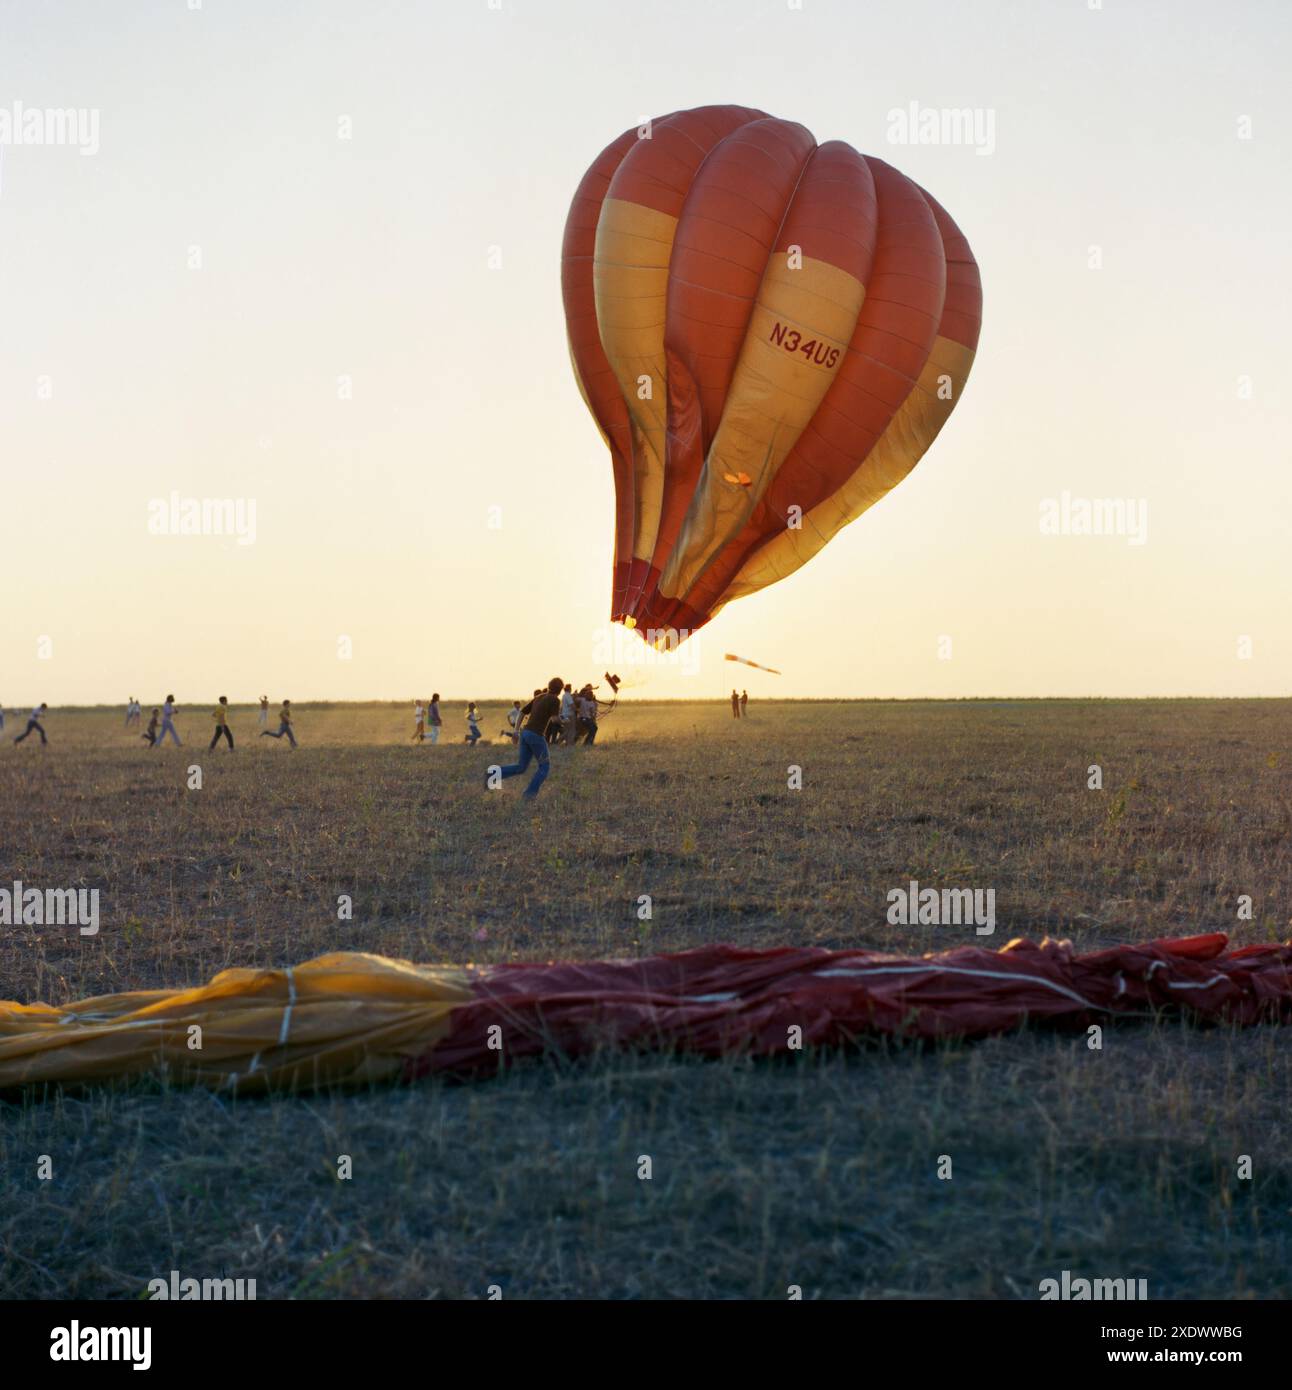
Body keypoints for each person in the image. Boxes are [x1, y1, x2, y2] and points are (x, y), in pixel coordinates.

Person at [492, 677, 562, 800]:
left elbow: (522, 712)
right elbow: (555, 719)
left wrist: (516, 731)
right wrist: (566, 721)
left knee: (521, 767)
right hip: (536, 736)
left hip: (525, 733)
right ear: (560, 690)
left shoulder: (539, 696)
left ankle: (494, 774)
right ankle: (528, 796)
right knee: (544, 767)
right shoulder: (555, 700)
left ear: (549, 685)